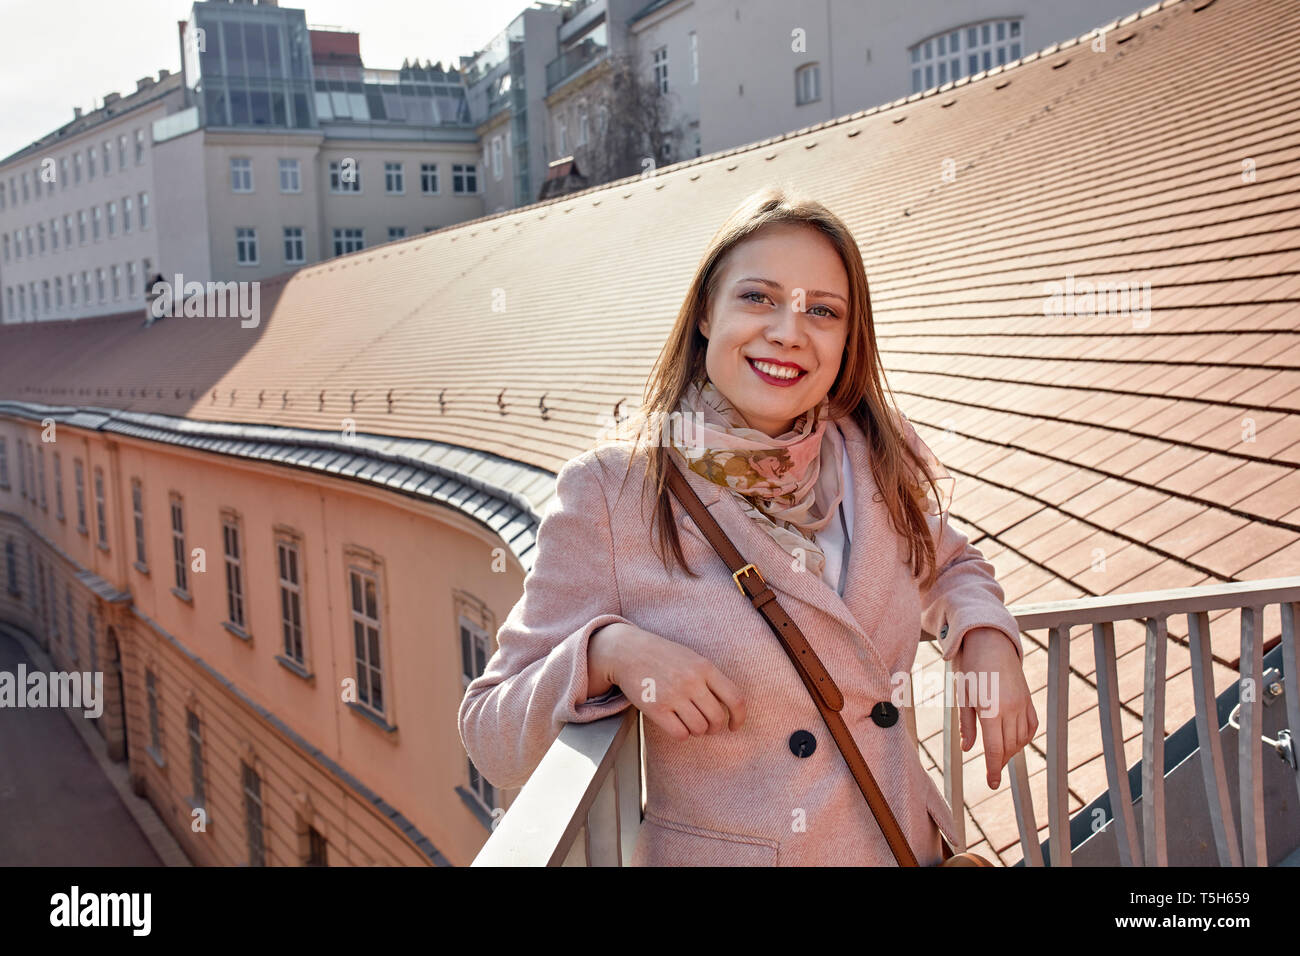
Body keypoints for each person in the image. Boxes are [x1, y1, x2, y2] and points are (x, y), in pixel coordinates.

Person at [458, 185, 1037, 865]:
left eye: (822, 311)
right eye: (759, 297)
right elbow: (490, 732)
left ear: (848, 340)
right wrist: (610, 650)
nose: (789, 331)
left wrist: (986, 636)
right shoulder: (614, 493)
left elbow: (950, 566)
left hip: (901, 843)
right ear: (707, 311)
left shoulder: (871, 453)